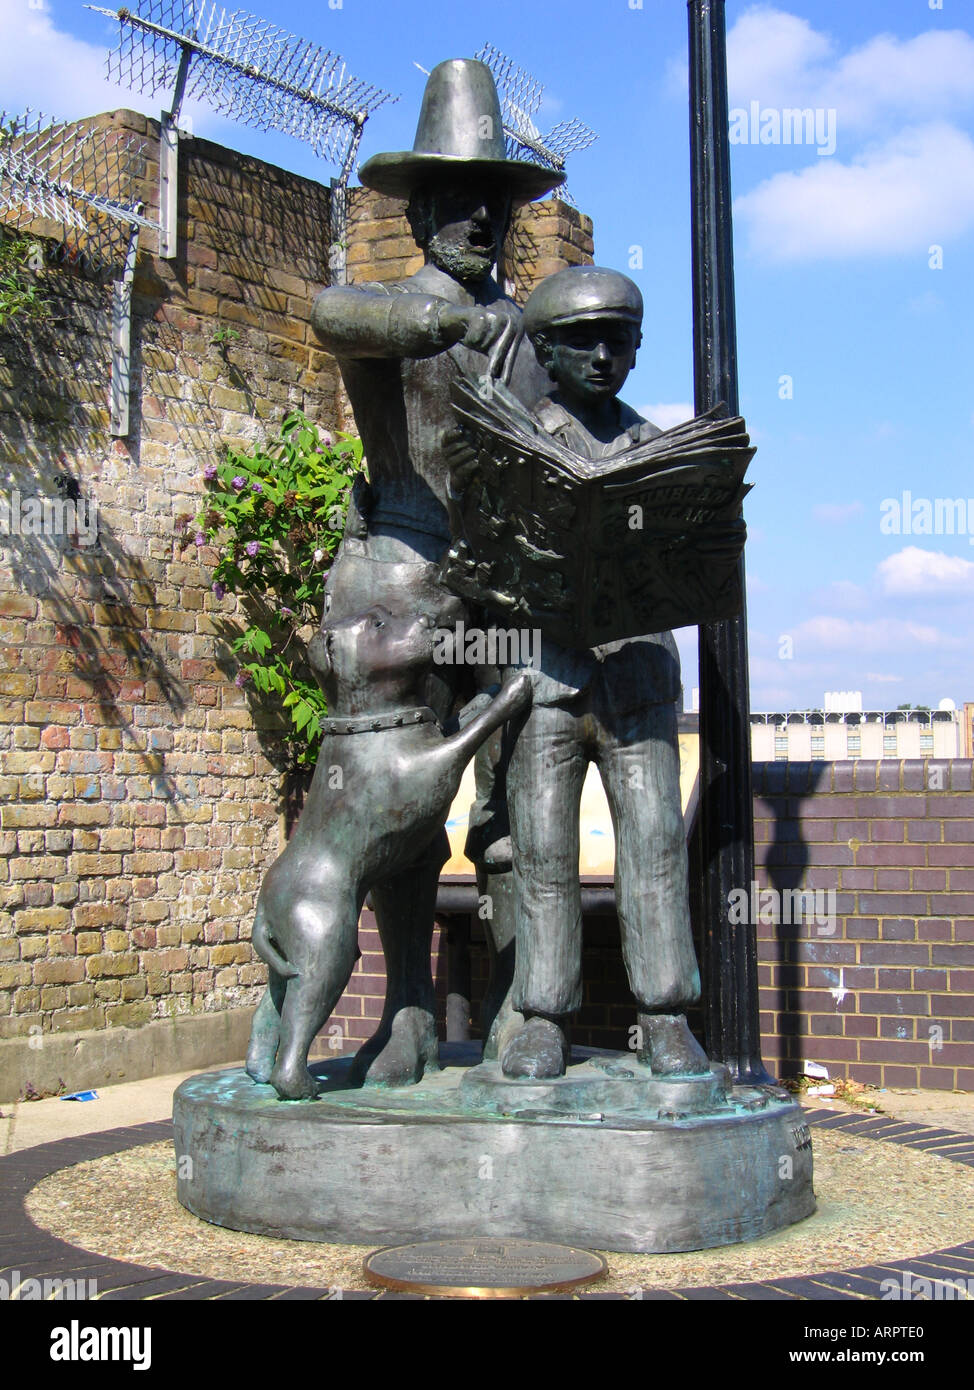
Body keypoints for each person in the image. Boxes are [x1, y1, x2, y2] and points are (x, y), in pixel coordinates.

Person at [304, 59, 562, 1086]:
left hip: (503, 590)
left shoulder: (536, 339)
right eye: (454, 204)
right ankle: (407, 1013)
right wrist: (449, 321)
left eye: (490, 206)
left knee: (508, 804)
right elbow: (334, 315)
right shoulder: (392, 314)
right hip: (406, 582)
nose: (474, 222)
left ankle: (514, 1018)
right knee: (396, 816)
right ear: (418, 218)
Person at [496, 265, 728, 1081]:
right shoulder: (515, 445)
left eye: (617, 340)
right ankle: (543, 1019)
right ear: (546, 354)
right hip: (547, 678)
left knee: (656, 845)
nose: (602, 356)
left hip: (636, 678)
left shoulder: (661, 452)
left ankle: (666, 1015)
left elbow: (701, 566)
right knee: (544, 854)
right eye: (581, 341)